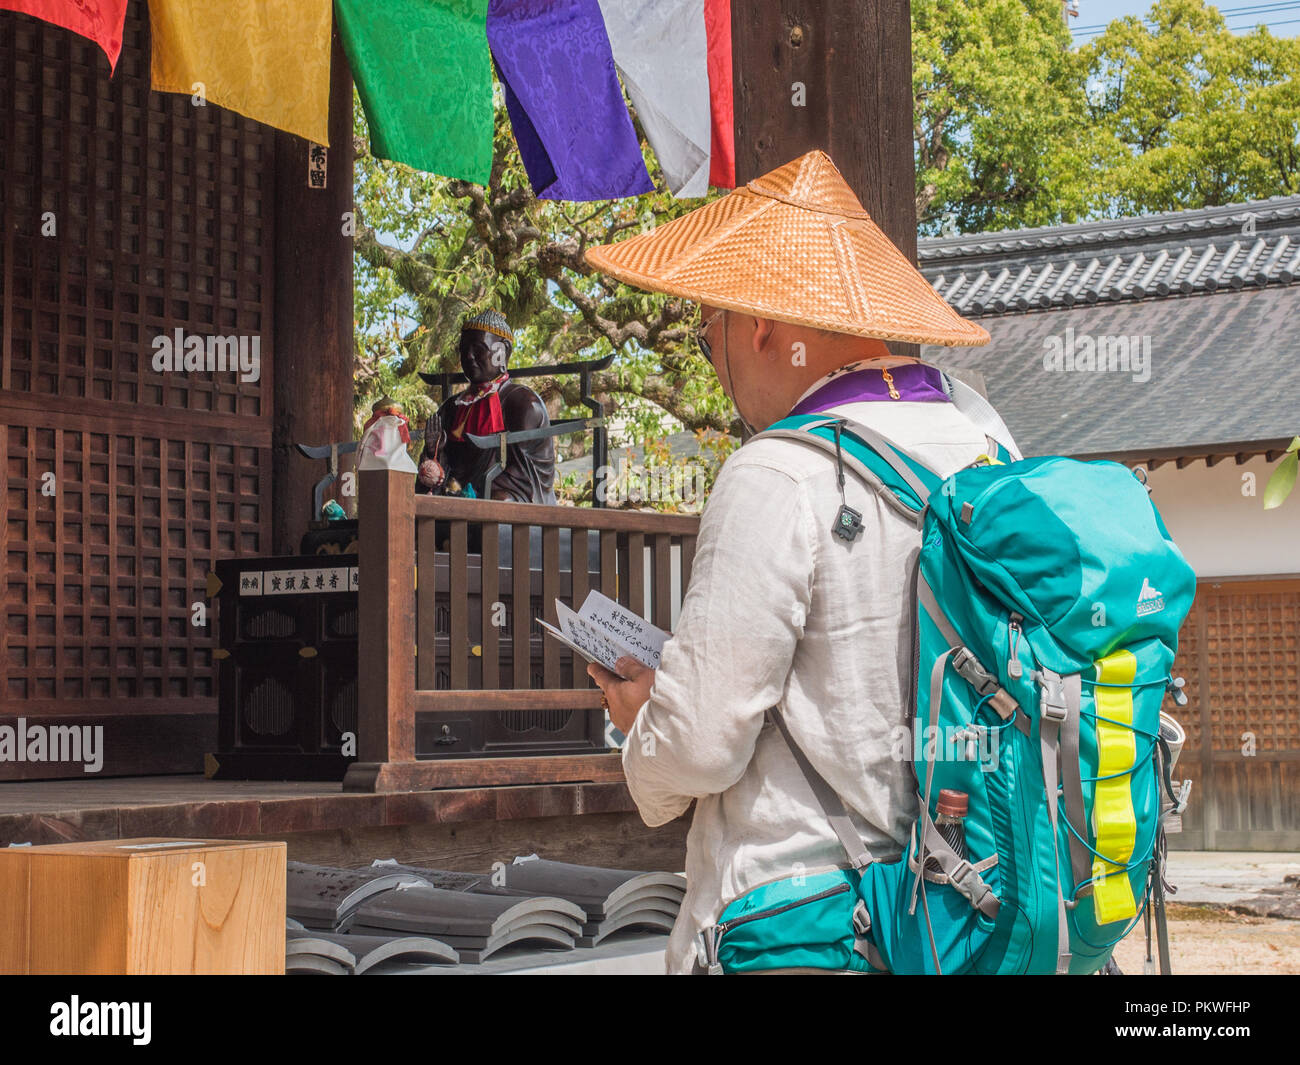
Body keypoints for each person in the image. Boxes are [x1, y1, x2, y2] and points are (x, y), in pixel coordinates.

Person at [582, 150, 1005, 974]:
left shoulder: (777, 469)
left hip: (807, 925)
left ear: (759, 322)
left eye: (710, 336)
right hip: (964, 907)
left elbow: (703, 742)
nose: (718, 364)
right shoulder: (987, 444)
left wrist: (643, 723)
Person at [417, 309, 557, 504]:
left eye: (479, 349)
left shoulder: (523, 404)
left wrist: (473, 492)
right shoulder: (452, 407)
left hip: (505, 499)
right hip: (457, 495)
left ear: (503, 351)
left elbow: (524, 478)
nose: (469, 357)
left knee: (499, 503)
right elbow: (446, 475)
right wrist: (436, 451)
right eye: (464, 350)